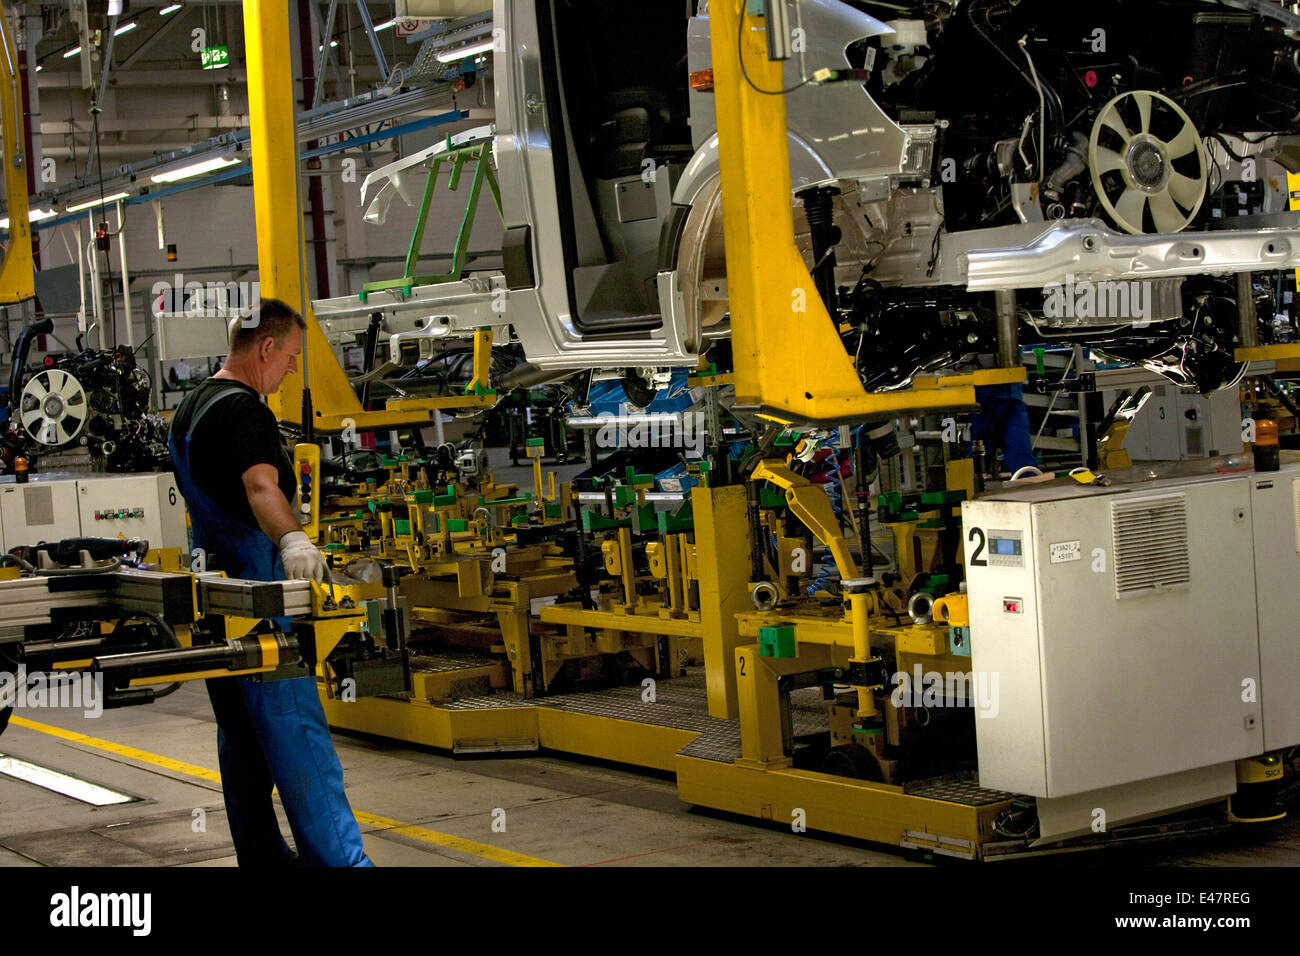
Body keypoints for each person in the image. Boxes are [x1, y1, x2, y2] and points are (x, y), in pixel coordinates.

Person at [168, 297, 372, 867]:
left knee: (243, 745)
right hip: (259, 603)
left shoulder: (191, 407)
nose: (289, 372)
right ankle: (342, 865)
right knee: (298, 739)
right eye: (290, 358)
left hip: (212, 600)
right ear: (265, 347)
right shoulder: (245, 412)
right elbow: (261, 488)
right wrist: (294, 541)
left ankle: (261, 860)